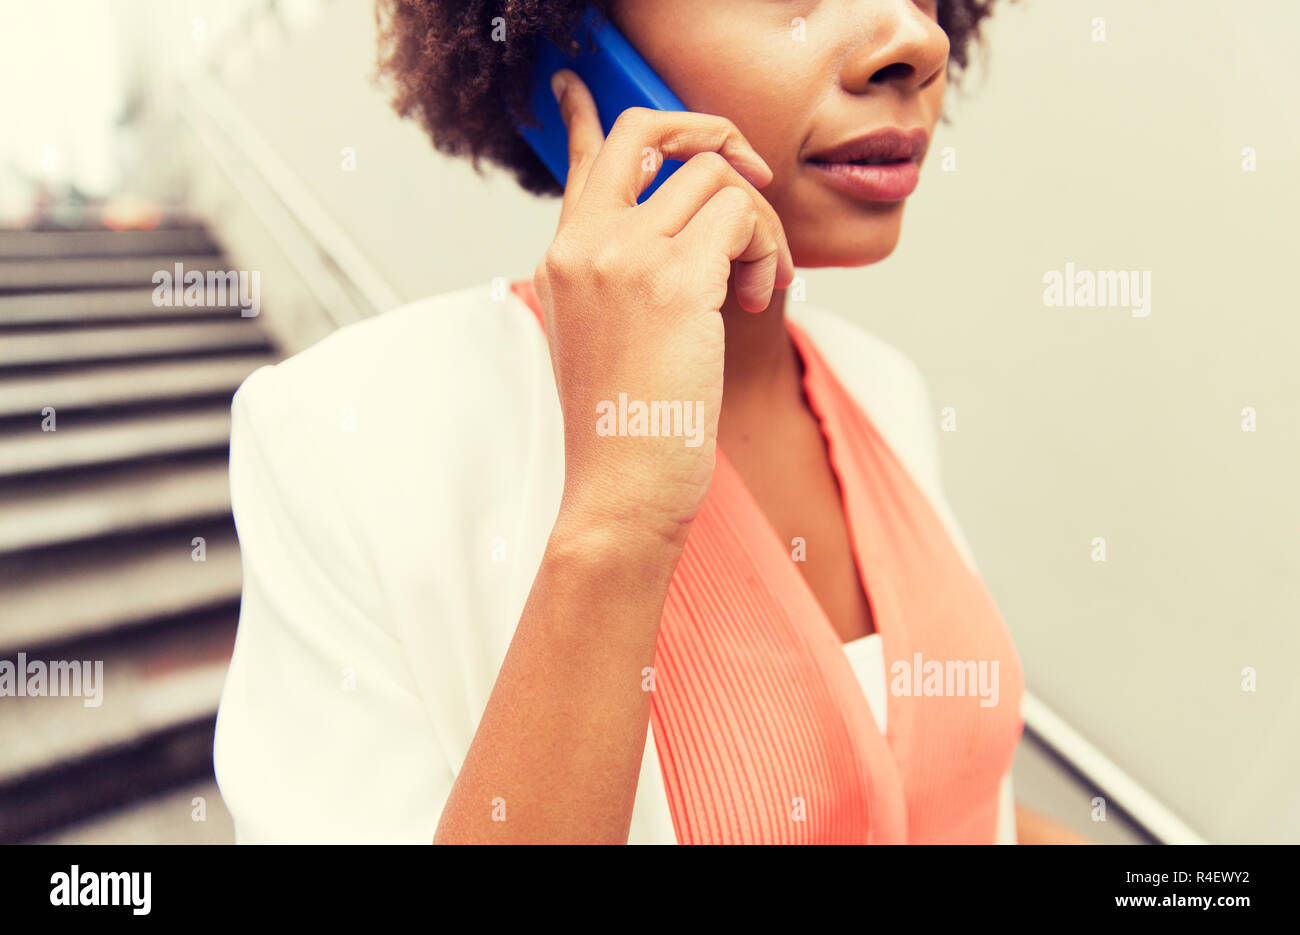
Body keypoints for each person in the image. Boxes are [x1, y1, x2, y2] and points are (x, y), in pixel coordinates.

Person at [214, 0, 1088, 844]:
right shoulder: (347, 440)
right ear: (569, 44)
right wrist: (614, 521)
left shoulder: (881, 388)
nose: (914, 36)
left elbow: (966, 813)